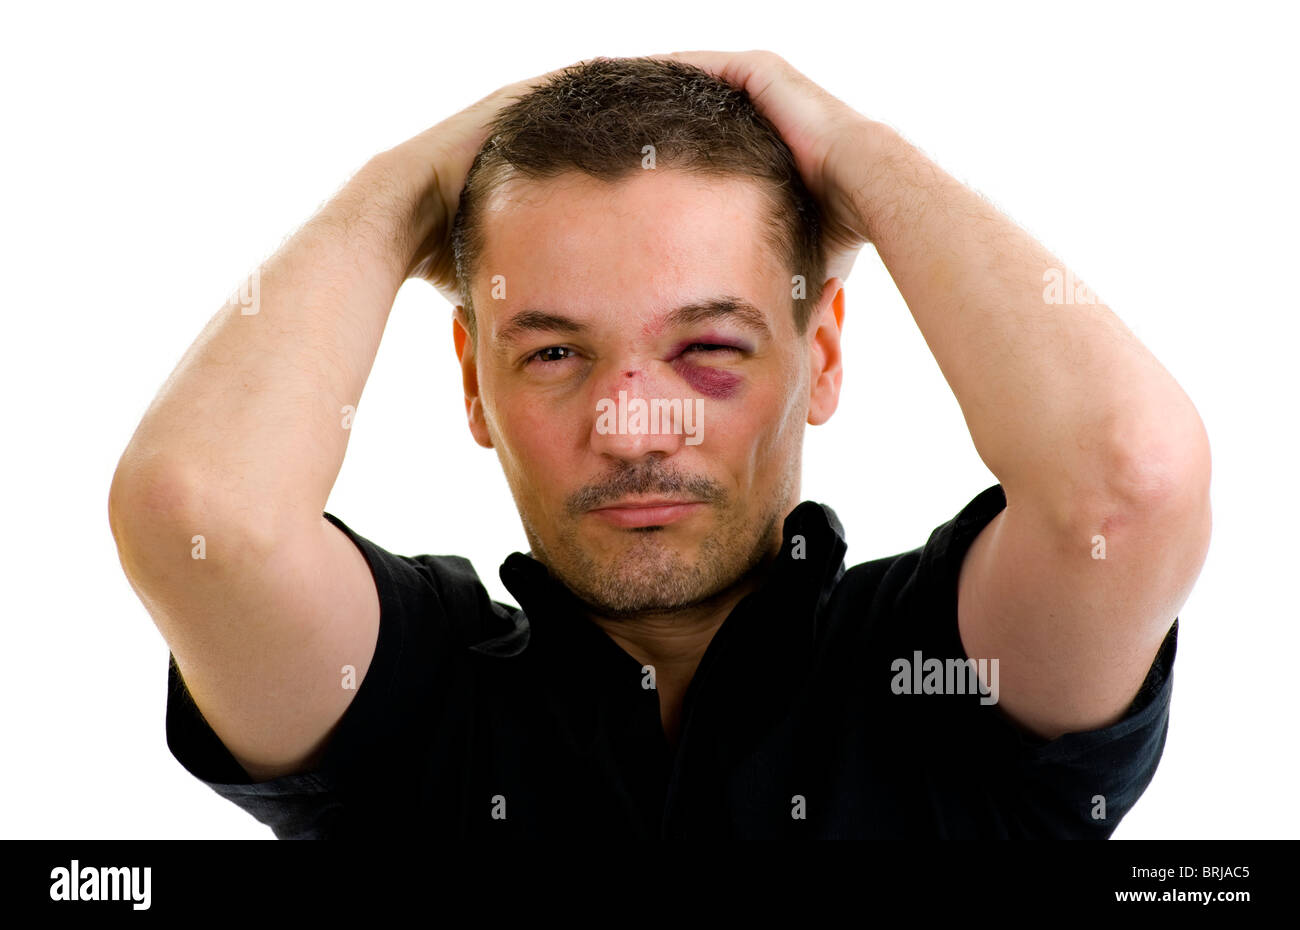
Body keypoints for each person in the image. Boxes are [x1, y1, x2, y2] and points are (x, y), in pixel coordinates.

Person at [108, 52, 1211, 839]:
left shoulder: (945, 680)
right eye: (551, 356)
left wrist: (858, 159)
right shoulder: (409, 696)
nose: (631, 426)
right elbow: (202, 518)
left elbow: (1128, 488)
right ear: (472, 384)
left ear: (820, 354)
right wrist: (402, 187)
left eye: (708, 347)